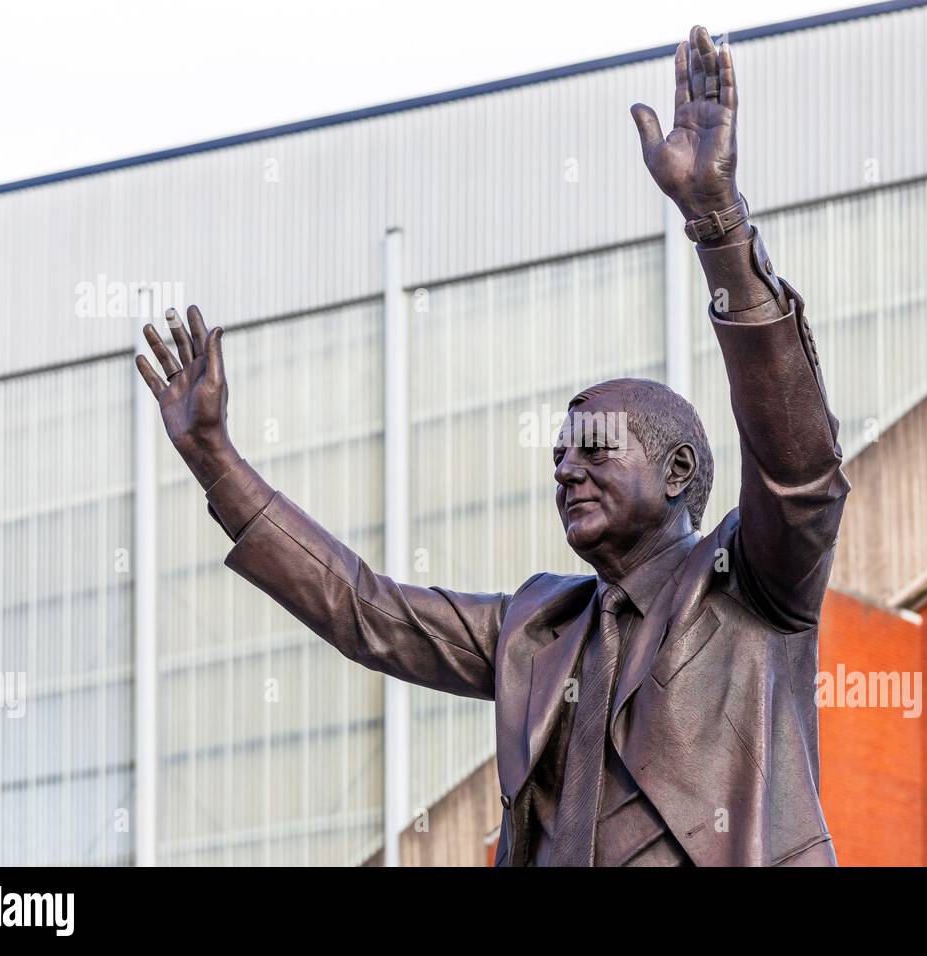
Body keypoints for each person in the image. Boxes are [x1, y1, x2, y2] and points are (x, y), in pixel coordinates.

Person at [136, 24, 849, 866]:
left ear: (677, 470)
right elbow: (370, 613)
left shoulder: (753, 584)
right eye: (556, 459)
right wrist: (216, 460)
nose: (565, 469)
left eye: (591, 449)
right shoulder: (538, 629)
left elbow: (797, 462)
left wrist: (716, 221)